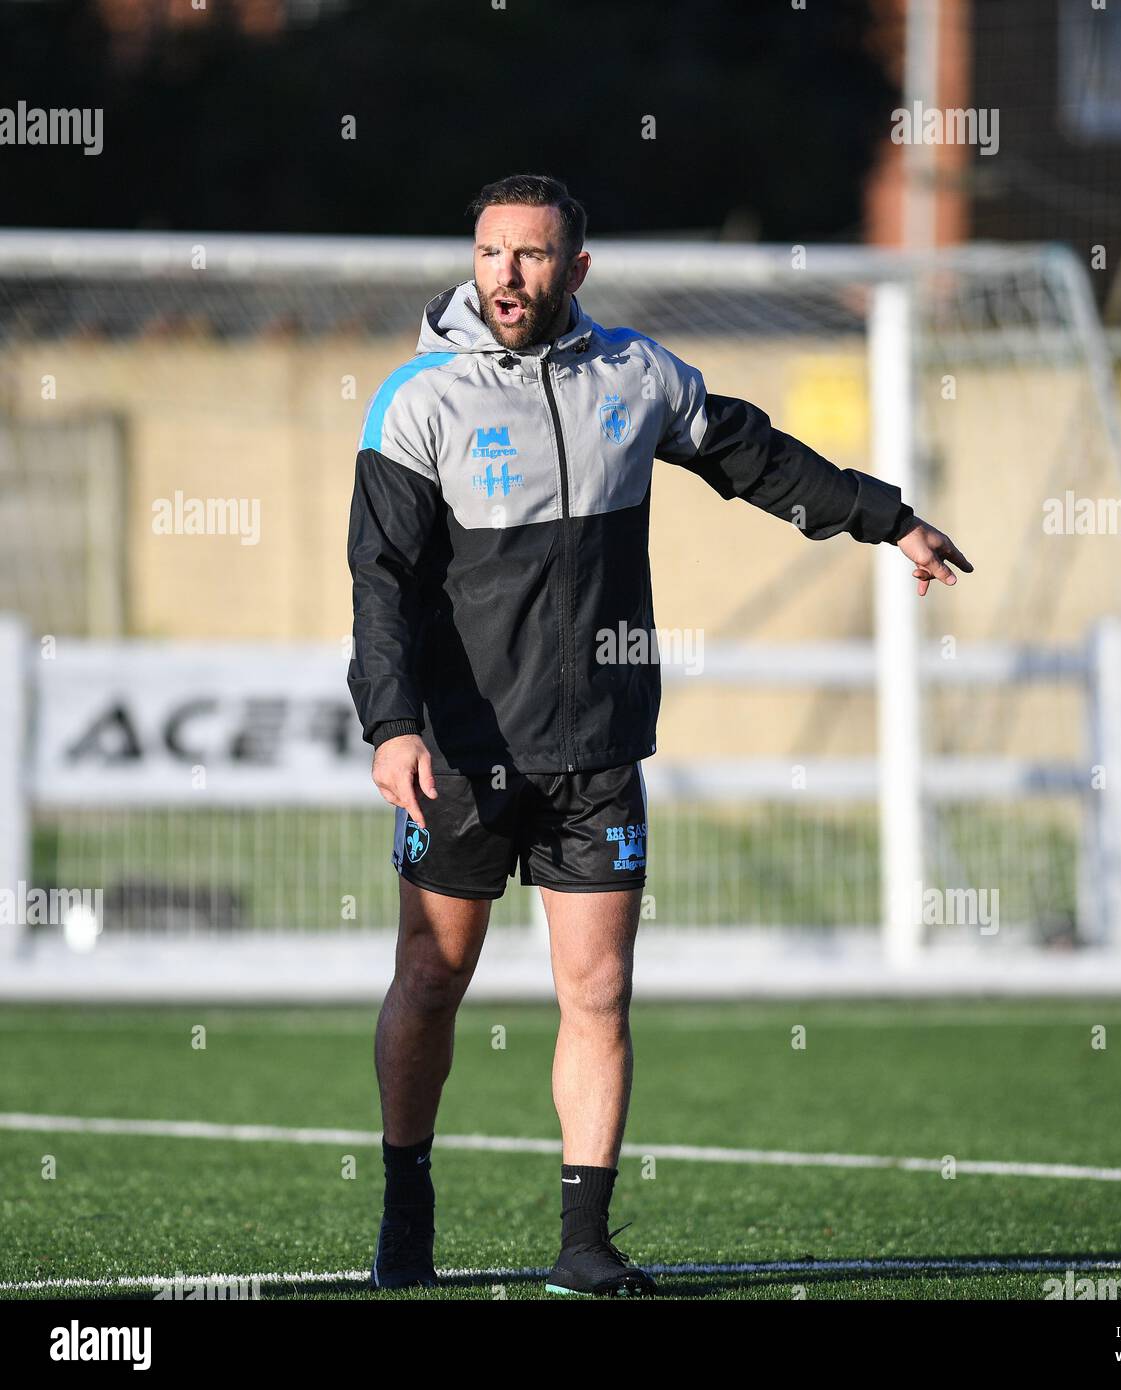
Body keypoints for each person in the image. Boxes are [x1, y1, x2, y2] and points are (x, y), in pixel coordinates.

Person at [347, 172, 972, 1297]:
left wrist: (888, 519)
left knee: (597, 994)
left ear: (574, 268)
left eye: (532, 256)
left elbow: (755, 458)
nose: (507, 275)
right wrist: (391, 724)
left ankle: (584, 1241)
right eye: (491, 253)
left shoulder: (635, 377)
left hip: (597, 753)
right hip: (459, 758)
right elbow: (380, 584)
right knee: (431, 977)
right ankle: (406, 1206)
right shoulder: (418, 400)